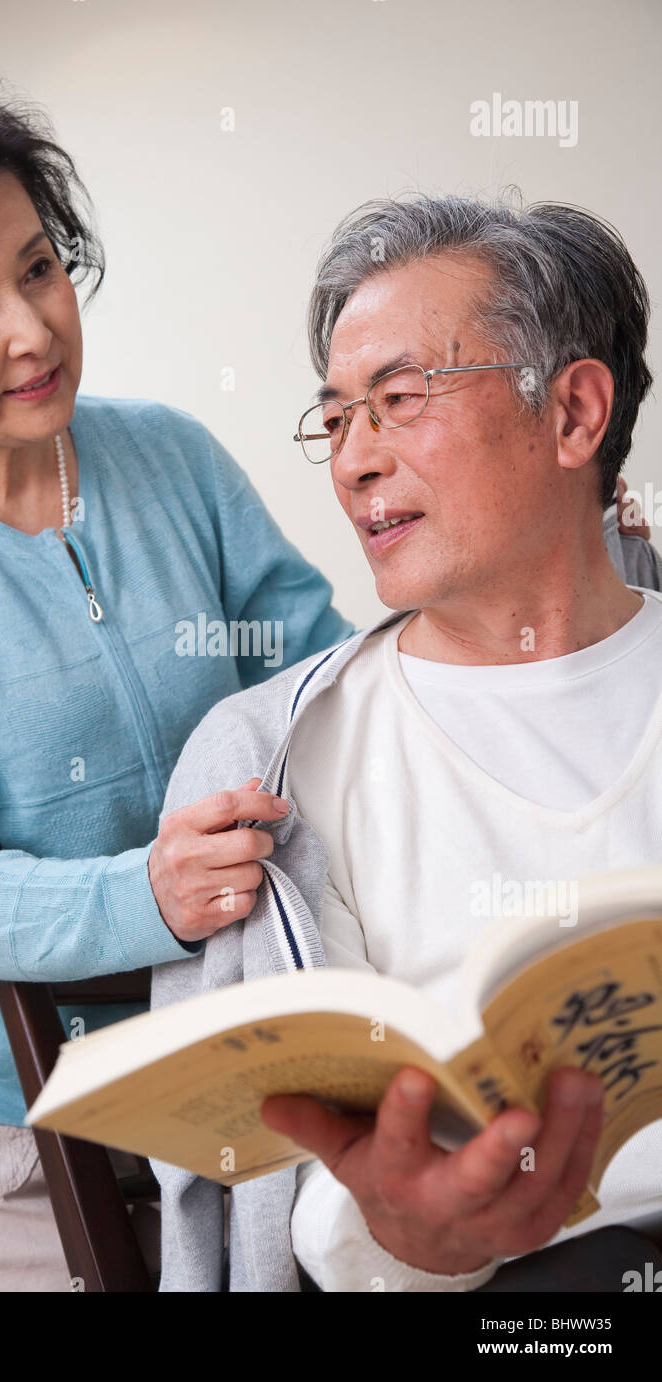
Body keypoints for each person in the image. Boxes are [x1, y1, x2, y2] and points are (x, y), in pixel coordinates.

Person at [0, 81, 355, 1292]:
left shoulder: (171, 456)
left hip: (211, 1047)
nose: (33, 328)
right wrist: (147, 894)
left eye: (39, 268)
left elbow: (322, 681)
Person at [149, 192, 662, 1292]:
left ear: (573, 414)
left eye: (397, 399)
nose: (351, 463)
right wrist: (408, 1235)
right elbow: (291, 1174)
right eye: (336, 418)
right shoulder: (282, 762)